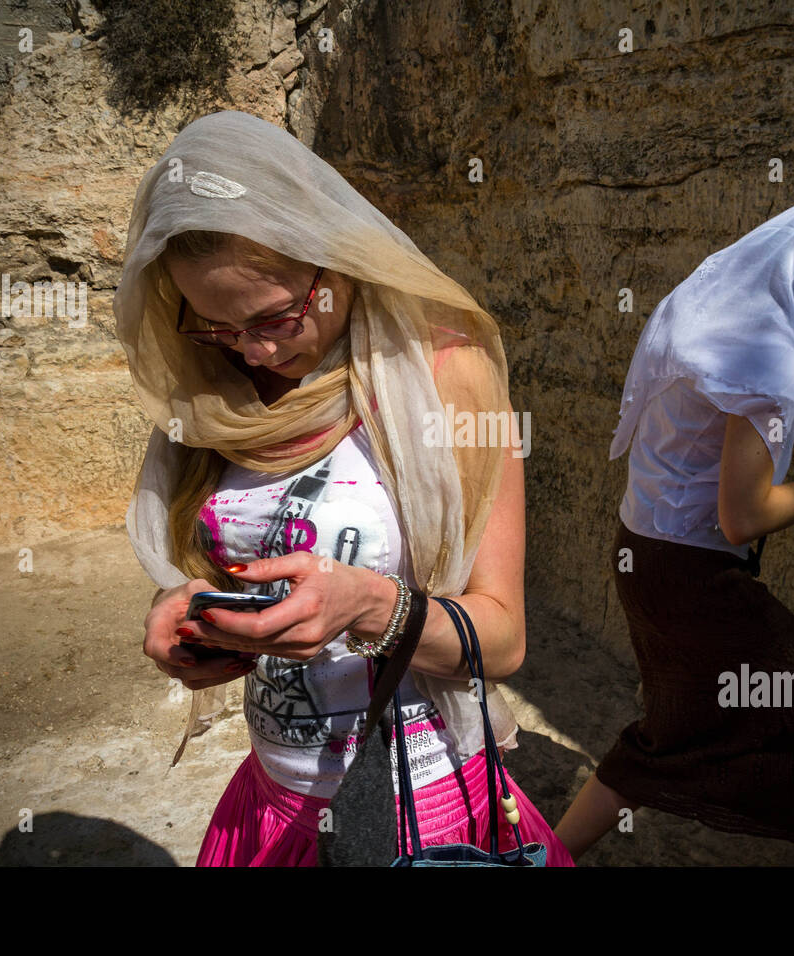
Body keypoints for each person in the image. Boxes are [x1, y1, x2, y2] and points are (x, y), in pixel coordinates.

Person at [113, 110, 574, 866]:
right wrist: (188, 616)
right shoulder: (211, 394)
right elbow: (229, 564)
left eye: (276, 317)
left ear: (333, 262)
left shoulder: (445, 377)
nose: (254, 352)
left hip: (416, 810)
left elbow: (503, 639)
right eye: (217, 325)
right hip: (271, 799)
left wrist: (369, 606)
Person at [554, 181, 794, 865]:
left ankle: (549, 858)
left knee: (670, 733)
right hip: (690, 576)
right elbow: (743, 518)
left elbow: (713, 407)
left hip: (645, 553)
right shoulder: (771, 353)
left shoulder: (722, 297)